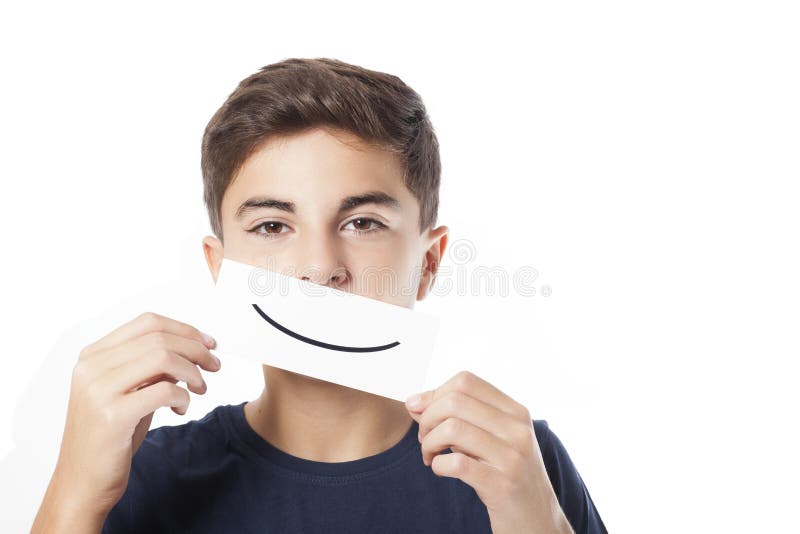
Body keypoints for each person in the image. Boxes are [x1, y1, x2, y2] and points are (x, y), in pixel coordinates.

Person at [32, 57, 607, 533]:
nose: (320, 268)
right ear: (220, 269)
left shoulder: (517, 465)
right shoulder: (141, 477)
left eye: (362, 223)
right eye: (272, 226)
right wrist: (74, 493)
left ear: (428, 263)